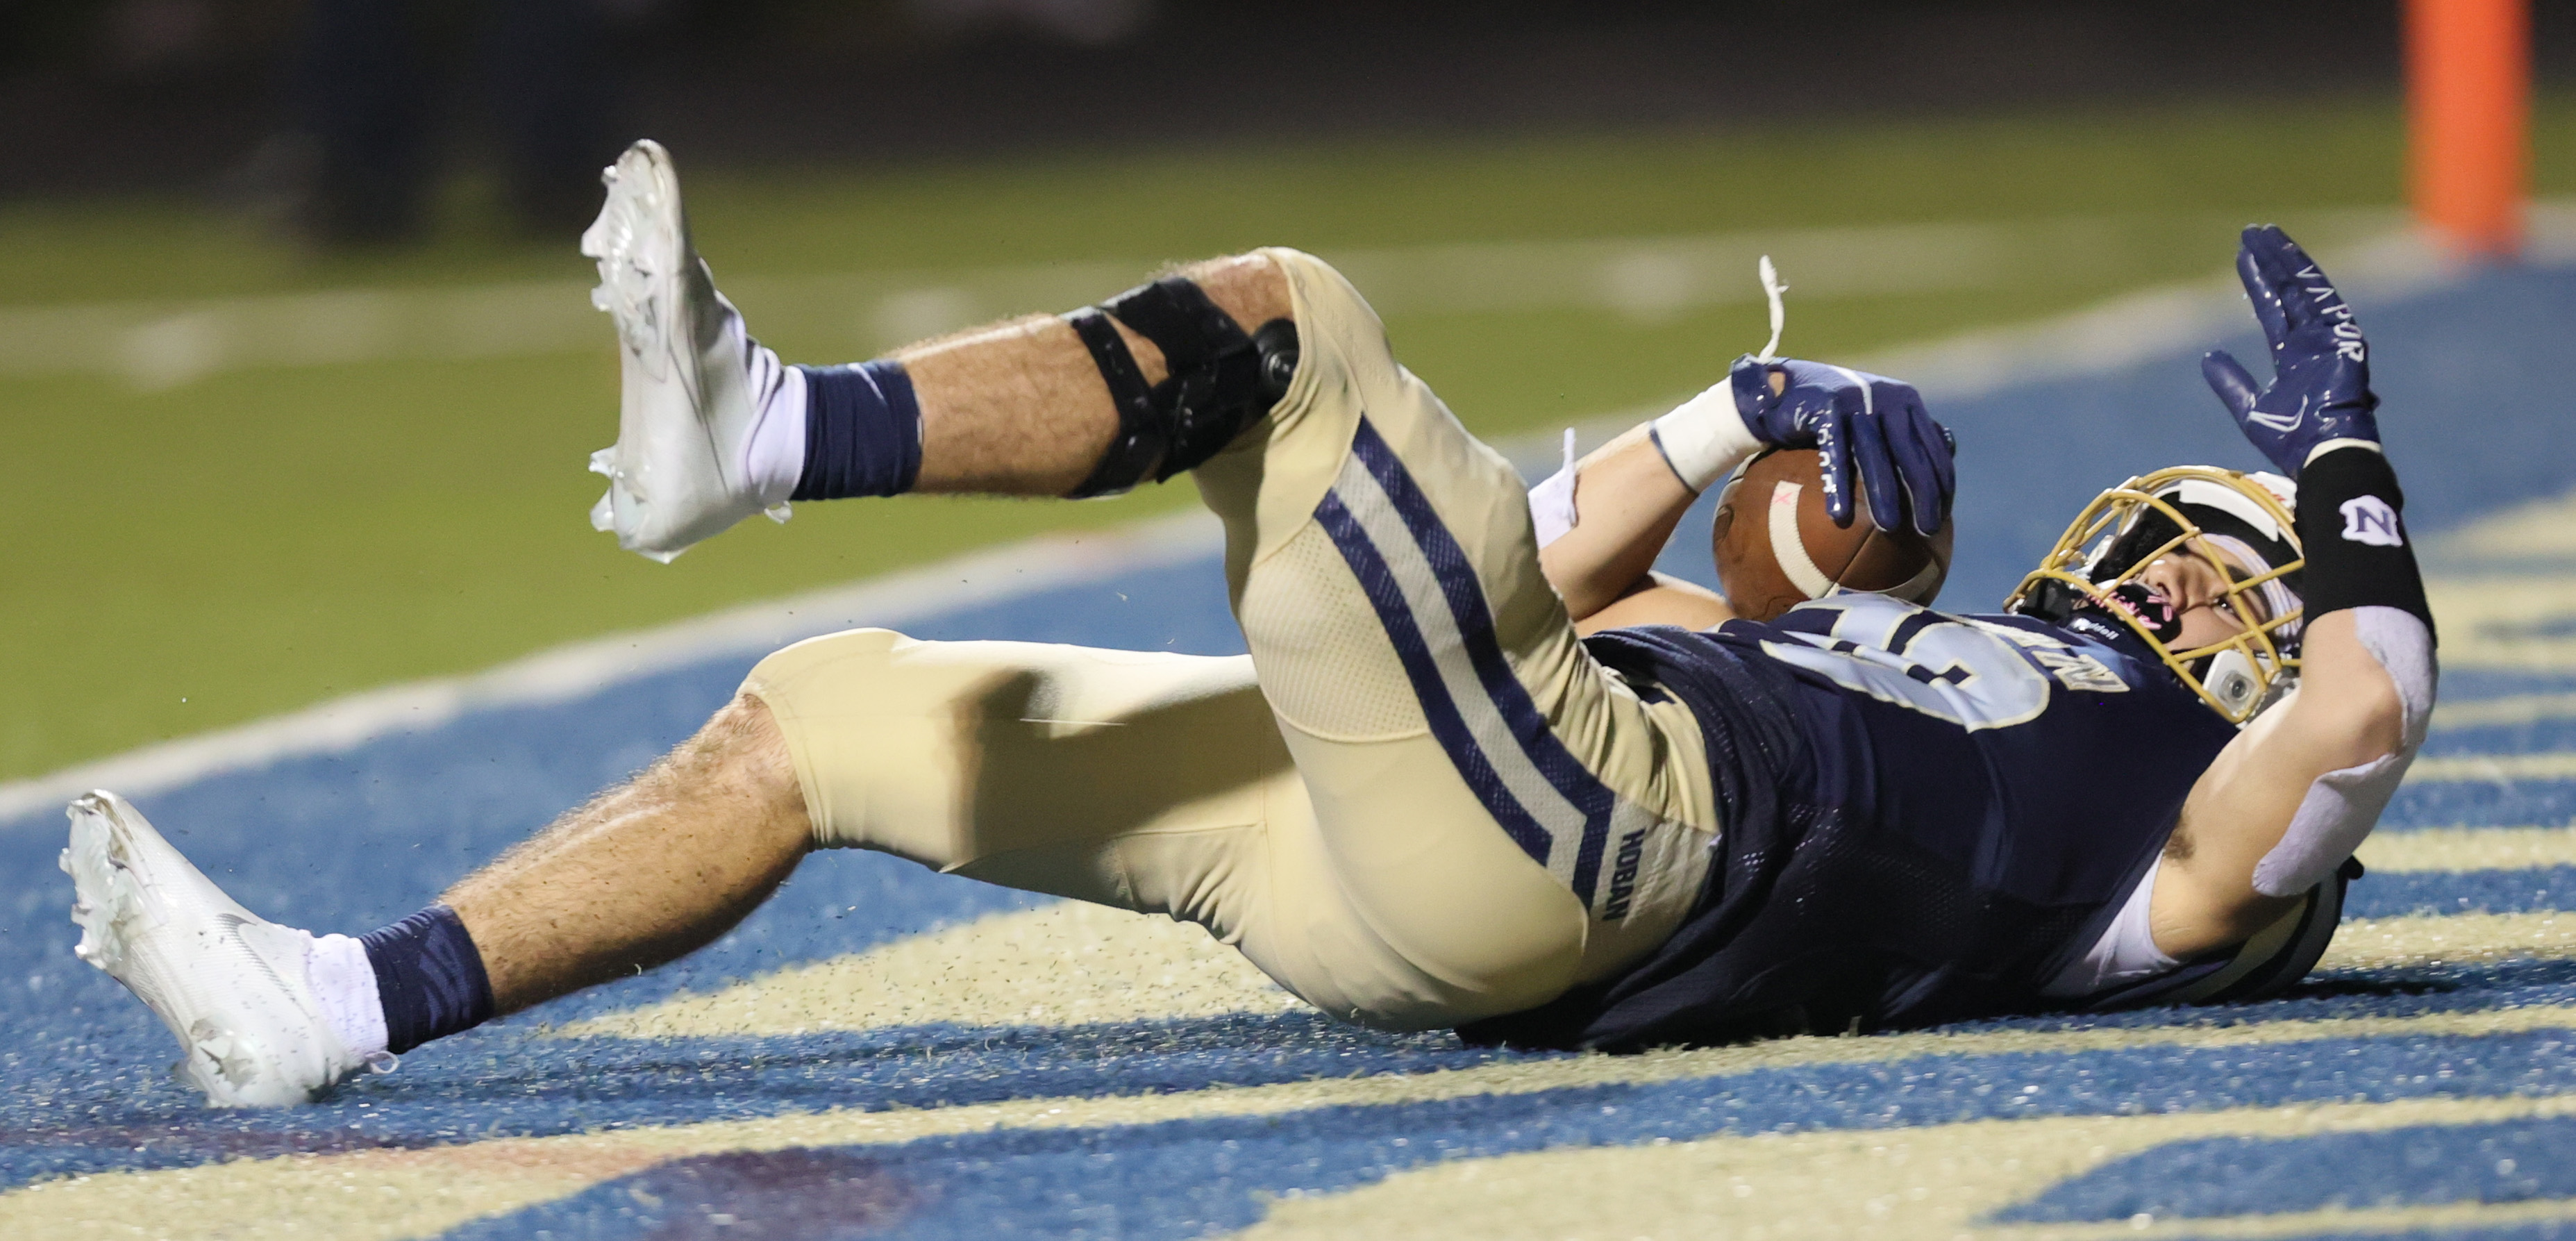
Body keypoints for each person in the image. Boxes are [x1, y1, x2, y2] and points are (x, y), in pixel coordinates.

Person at [60, 141, 2433, 1107]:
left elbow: (2363, 703)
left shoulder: (2184, 844)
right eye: (2199, 535)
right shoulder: (1982, 660)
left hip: (1607, 851)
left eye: (2237, 563)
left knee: (1290, 325)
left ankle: (766, 429)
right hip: (1494, 835)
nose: (2198, 577)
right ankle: (329, 1004)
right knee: (828, 718)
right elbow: (1523, 594)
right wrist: (1726, 416)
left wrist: (2348, 466)